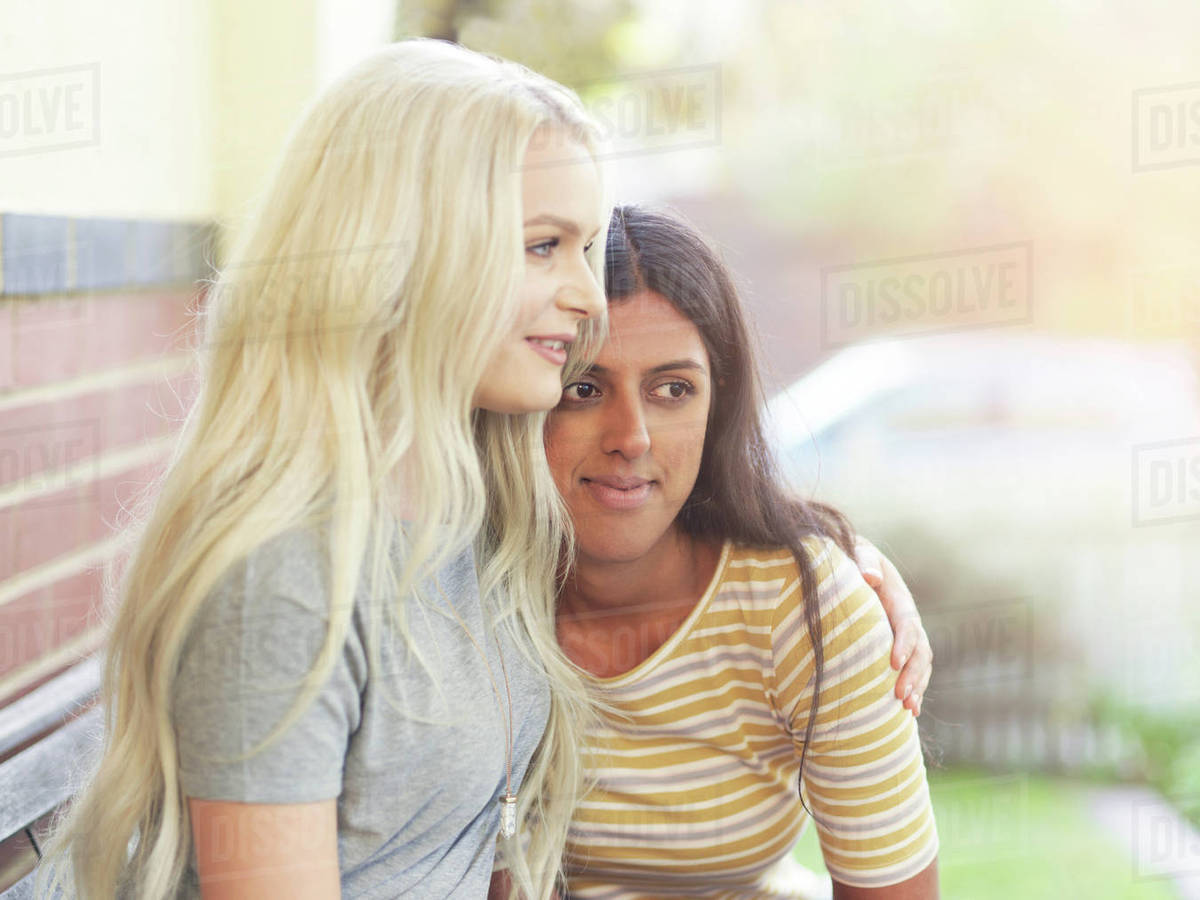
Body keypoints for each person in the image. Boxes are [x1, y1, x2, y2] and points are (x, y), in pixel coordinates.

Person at [37, 39, 609, 899]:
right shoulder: (286, 582)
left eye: (588, 247)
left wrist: (843, 576)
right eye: (542, 247)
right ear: (408, 251)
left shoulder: (477, 510)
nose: (590, 296)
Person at [545, 206, 939, 898]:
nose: (630, 436)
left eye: (673, 389)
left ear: (718, 408)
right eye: (584, 388)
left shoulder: (806, 607)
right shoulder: (465, 587)